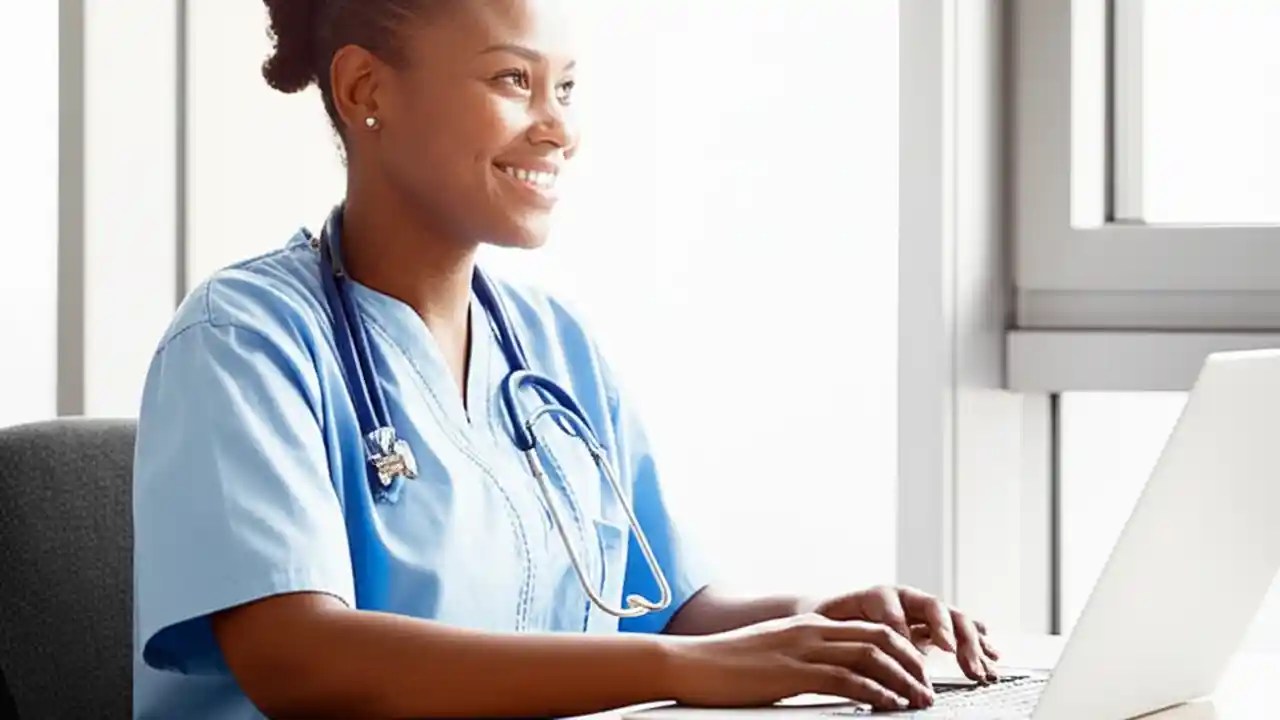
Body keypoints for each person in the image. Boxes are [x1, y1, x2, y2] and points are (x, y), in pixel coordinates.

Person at [131, 1, 1000, 717]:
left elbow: (673, 610)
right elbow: (301, 660)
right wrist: (678, 670)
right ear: (366, 88)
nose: (559, 130)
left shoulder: (551, 347)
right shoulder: (243, 342)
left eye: (568, 89)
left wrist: (818, 625)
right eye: (515, 80)